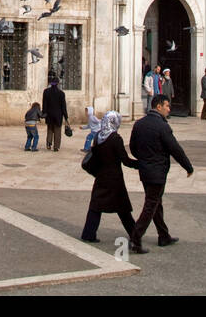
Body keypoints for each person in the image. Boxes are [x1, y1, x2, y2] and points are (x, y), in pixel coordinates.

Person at [128, 94, 194, 253]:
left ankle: (163, 235)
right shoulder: (162, 126)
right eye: (167, 106)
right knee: (151, 205)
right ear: (158, 107)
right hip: (157, 172)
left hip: (145, 171)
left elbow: (133, 147)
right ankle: (135, 237)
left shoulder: (139, 124)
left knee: (156, 202)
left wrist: (144, 159)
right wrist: (188, 167)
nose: (169, 109)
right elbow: (175, 148)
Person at [79, 111, 140, 243]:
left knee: (96, 206)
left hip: (101, 176)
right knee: (123, 209)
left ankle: (88, 233)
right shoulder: (115, 139)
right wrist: (141, 165)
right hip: (114, 178)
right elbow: (125, 160)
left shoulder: (98, 136)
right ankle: (135, 234)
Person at [42, 75, 69, 151]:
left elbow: (44, 103)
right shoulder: (61, 93)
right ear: (58, 83)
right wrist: (66, 117)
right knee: (57, 130)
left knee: (50, 129)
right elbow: (63, 106)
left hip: (49, 114)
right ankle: (56, 146)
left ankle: (48, 144)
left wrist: (44, 113)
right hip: (58, 115)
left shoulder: (46, 91)